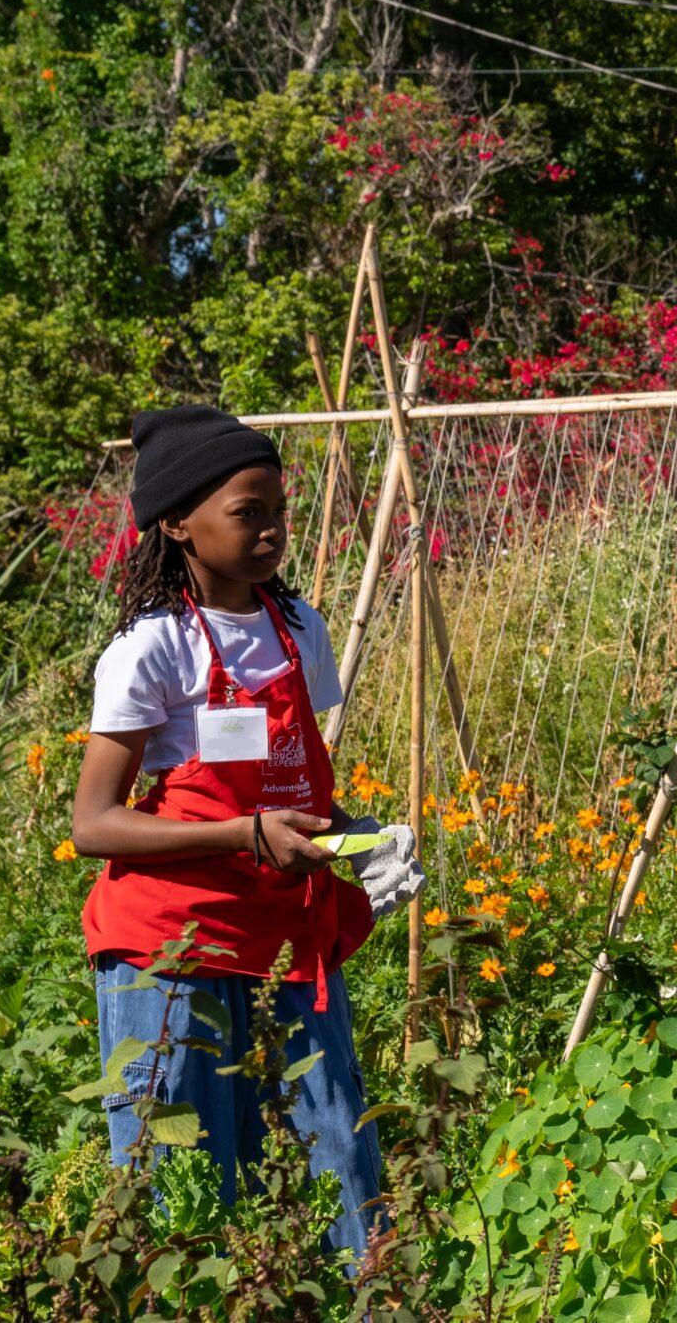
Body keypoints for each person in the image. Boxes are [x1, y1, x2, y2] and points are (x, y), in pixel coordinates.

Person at [70, 405, 423, 1262]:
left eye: (279, 510)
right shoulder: (151, 648)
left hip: (287, 939)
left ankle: (371, 1307)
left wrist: (360, 842)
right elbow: (94, 824)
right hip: (171, 950)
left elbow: (293, 787)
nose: (271, 530)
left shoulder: (299, 629)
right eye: (247, 512)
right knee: (185, 1183)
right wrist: (242, 835)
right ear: (176, 524)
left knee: (340, 1166)